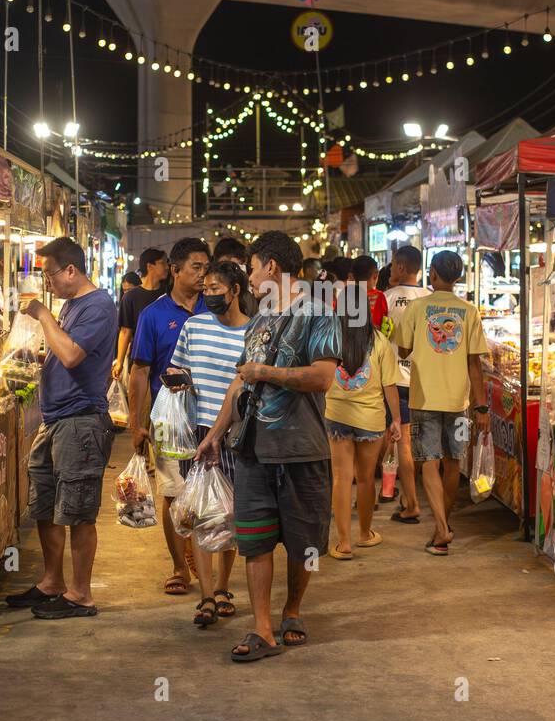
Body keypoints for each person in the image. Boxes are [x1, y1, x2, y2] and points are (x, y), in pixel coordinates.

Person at [196, 231, 341, 662]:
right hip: (253, 449)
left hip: (302, 448)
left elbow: (322, 377)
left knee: (305, 544)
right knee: (255, 540)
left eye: (254, 267)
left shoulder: (317, 313)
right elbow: (240, 381)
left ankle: (293, 609)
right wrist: (216, 433)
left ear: (272, 267)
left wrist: (268, 372)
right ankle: (262, 627)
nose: (252, 276)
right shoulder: (258, 319)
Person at [6, 237, 116, 619]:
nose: (46, 281)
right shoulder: (71, 306)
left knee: (79, 511)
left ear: (71, 270)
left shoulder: (98, 305)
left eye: (50, 273)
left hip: (81, 421)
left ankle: (81, 595)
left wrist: (41, 314)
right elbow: (60, 350)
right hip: (55, 420)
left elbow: (71, 355)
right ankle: (52, 582)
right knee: (46, 504)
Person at [164, 260, 250, 626]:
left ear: (235, 291)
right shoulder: (193, 326)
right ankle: (206, 596)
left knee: (228, 513)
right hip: (198, 432)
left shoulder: (252, 332)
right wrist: (176, 380)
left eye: (217, 288)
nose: (210, 293)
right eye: (207, 288)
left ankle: (224, 586)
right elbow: (177, 368)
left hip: (235, 433)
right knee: (200, 512)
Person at [130, 238, 210, 596]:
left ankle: (211, 569)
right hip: (170, 418)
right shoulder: (154, 315)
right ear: (174, 270)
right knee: (174, 494)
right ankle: (180, 567)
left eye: (206, 267)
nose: (203, 274)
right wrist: (137, 421)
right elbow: (139, 370)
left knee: (214, 492)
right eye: (196, 267)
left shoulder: (217, 307)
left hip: (212, 416)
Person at [395, 250, 489, 555]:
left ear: (432, 274)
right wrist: (482, 406)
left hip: (423, 398)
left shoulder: (417, 308)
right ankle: (441, 527)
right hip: (459, 401)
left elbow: (403, 351)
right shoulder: (470, 311)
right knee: (453, 464)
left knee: (429, 464)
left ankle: (442, 529)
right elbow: (476, 365)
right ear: (458, 276)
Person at [325, 284, 401, 559]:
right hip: (371, 419)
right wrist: (396, 420)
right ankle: (365, 534)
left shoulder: (329, 337)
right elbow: (389, 386)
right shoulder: (379, 341)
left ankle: (343, 543)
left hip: (336, 416)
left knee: (341, 479)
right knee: (367, 479)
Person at [382, 245, 429, 522]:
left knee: (405, 445)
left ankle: (412, 504)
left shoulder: (385, 299)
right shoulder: (431, 297)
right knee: (422, 445)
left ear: (400, 267)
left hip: (396, 381)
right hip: (426, 382)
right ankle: (406, 495)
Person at [112, 248, 168, 384]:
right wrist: (119, 362)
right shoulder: (131, 297)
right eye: (163, 263)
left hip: (165, 362)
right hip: (140, 361)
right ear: (150, 266)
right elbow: (125, 331)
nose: (167, 266)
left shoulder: (169, 293)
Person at [212, 235, 258, 316]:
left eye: (240, 268)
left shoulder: (248, 298)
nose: (235, 274)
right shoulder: (207, 296)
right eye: (229, 267)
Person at [351, 254, 389, 329]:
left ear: (352, 276)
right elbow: (380, 323)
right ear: (375, 275)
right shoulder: (379, 296)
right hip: (372, 338)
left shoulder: (346, 295)